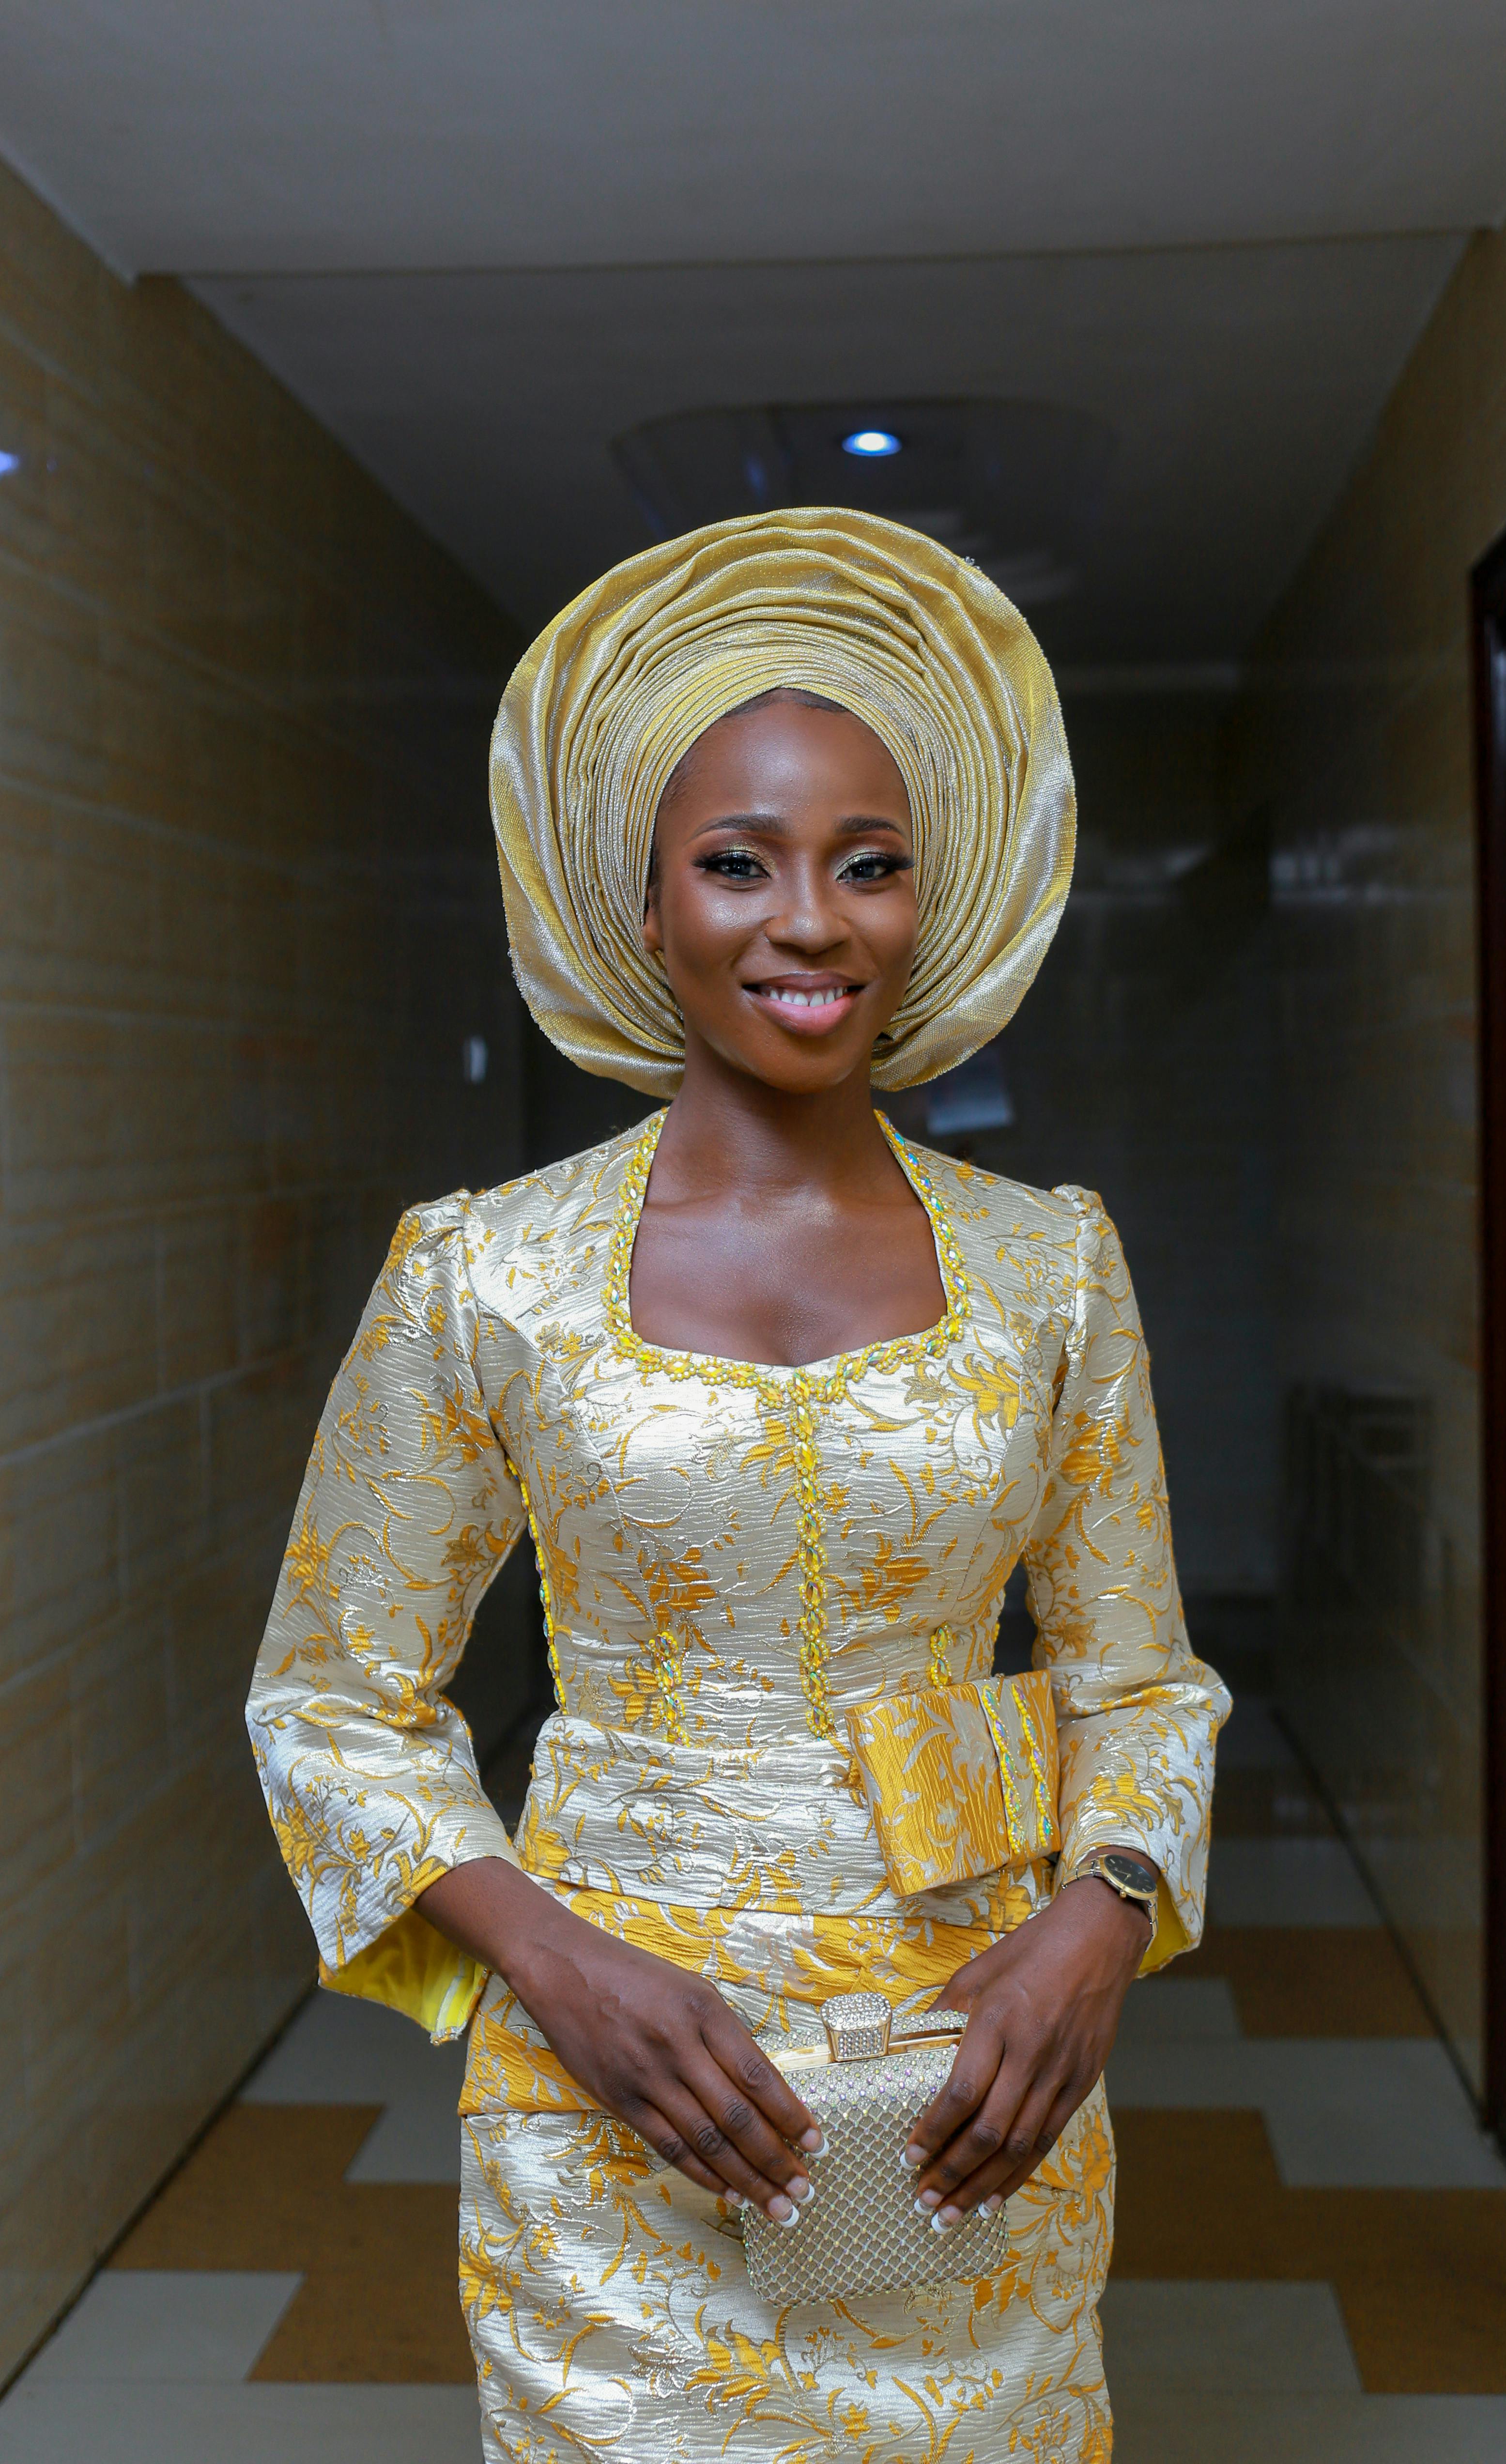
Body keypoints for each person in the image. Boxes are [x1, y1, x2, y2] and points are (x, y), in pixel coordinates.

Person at [246, 506, 1229, 2462]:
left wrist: (1104, 1911)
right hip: (625, 2078)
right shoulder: (483, 1269)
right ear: (642, 902)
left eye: (868, 867)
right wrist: (547, 1956)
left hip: (966, 2088)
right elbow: (334, 1698)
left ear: (924, 906)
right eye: (737, 864)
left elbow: (1139, 1680)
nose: (810, 921)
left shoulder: (1050, 1264)